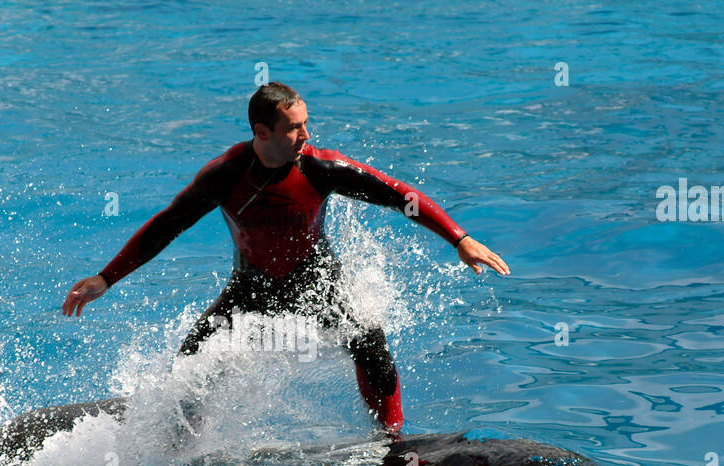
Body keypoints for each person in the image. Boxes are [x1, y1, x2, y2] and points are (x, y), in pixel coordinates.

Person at [62, 82, 510, 434]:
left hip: (315, 280)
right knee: (192, 360)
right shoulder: (225, 175)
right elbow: (167, 224)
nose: (306, 135)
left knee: (371, 344)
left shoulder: (320, 168)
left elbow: (398, 194)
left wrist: (459, 238)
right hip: (252, 287)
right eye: (294, 128)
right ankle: (179, 452)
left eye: (307, 123)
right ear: (262, 132)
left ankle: (392, 444)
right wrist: (107, 278)